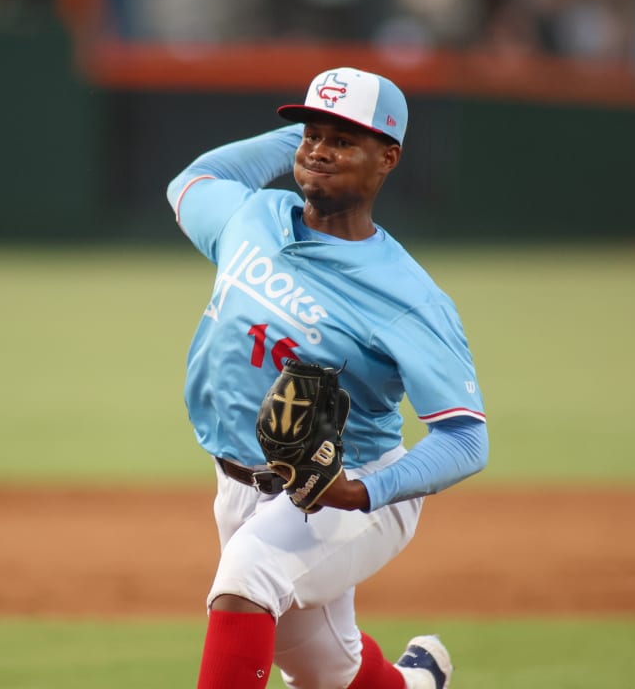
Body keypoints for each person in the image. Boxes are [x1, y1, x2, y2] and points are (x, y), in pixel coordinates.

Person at [166, 67, 489, 689]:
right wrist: (304, 142)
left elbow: (466, 438)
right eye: (312, 135)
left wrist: (364, 493)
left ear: (387, 158)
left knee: (245, 583)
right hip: (239, 486)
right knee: (325, 668)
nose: (319, 151)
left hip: (348, 487)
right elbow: (194, 181)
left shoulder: (409, 298)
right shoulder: (250, 218)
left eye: (343, 141)